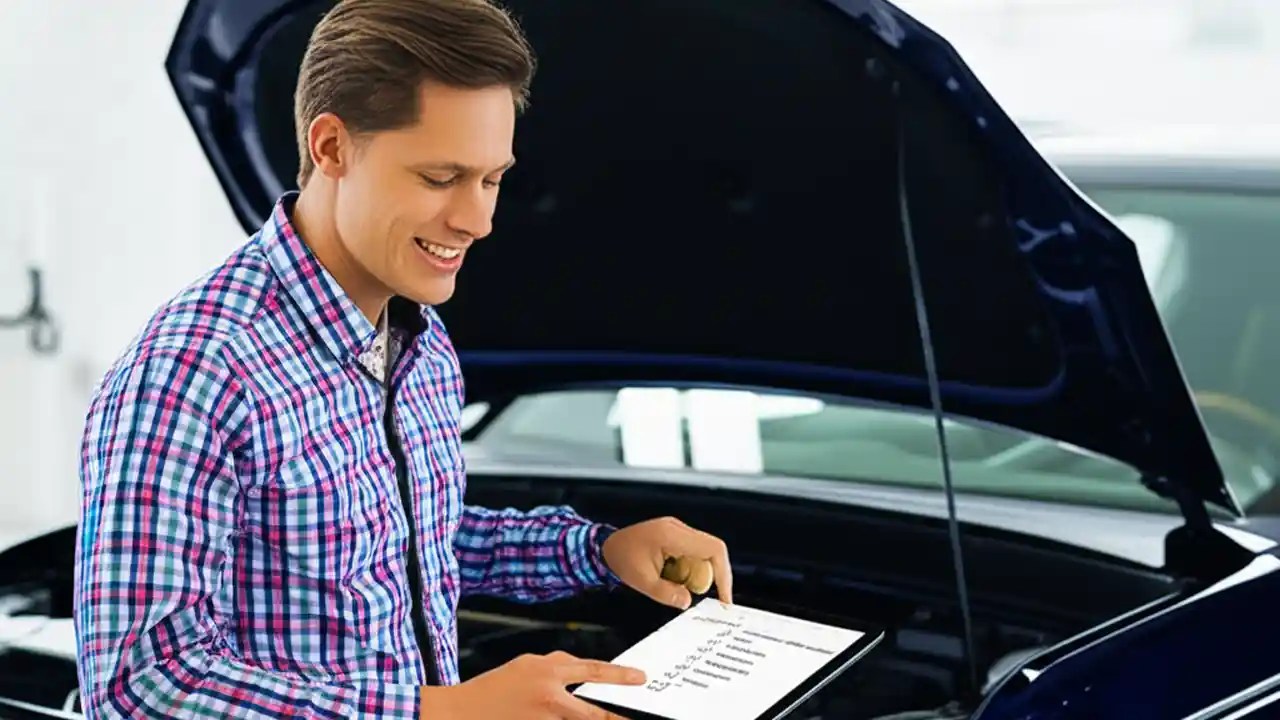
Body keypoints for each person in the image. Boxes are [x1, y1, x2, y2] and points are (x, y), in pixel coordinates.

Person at [72, 1, 732, 718]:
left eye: (492, 180)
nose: (478, 221)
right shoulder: (191, 374)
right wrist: (440, 713)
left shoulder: (420, 341)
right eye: (440, 177)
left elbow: (418, 543)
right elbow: (142, 688)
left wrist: (596, 551)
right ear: (332, 147)